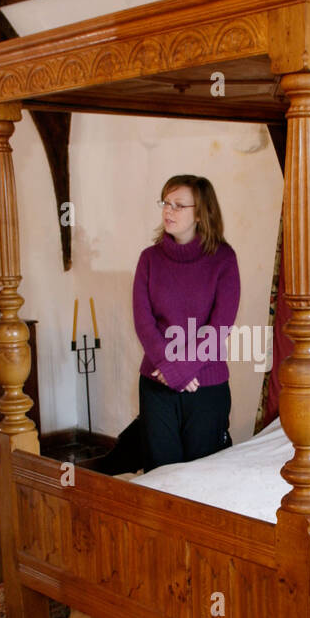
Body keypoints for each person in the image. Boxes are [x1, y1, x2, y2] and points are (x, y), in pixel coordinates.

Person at [132, 175, 240, 472]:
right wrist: (169, 368)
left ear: (201, 212)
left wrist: (180, 370)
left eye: (179, 205)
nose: (169, 210)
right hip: (157, 384)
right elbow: (144, 322)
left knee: (202, 478)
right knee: (160, 475)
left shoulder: (223, 259)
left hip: (206, 386)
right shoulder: (149, 260)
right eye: (166, 202)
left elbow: (219, 327)